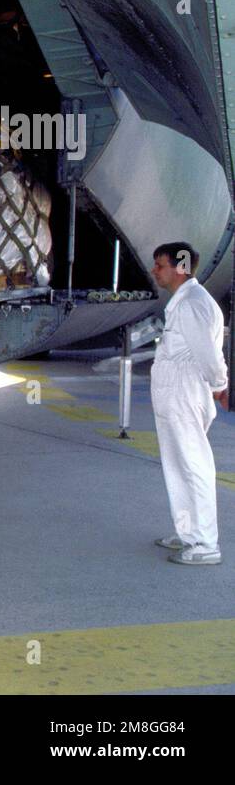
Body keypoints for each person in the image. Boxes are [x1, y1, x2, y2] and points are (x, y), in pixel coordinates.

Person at [150, 241, 227, 564]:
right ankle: (189, 533)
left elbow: (209, 356)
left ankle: (206, 544)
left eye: (160, 265)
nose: (155, 271)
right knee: (178, 465)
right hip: (174, 394)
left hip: (183, 394)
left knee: (194, 465)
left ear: (180, 267)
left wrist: (221, 385)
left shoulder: (192, 304)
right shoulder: (185, 301)